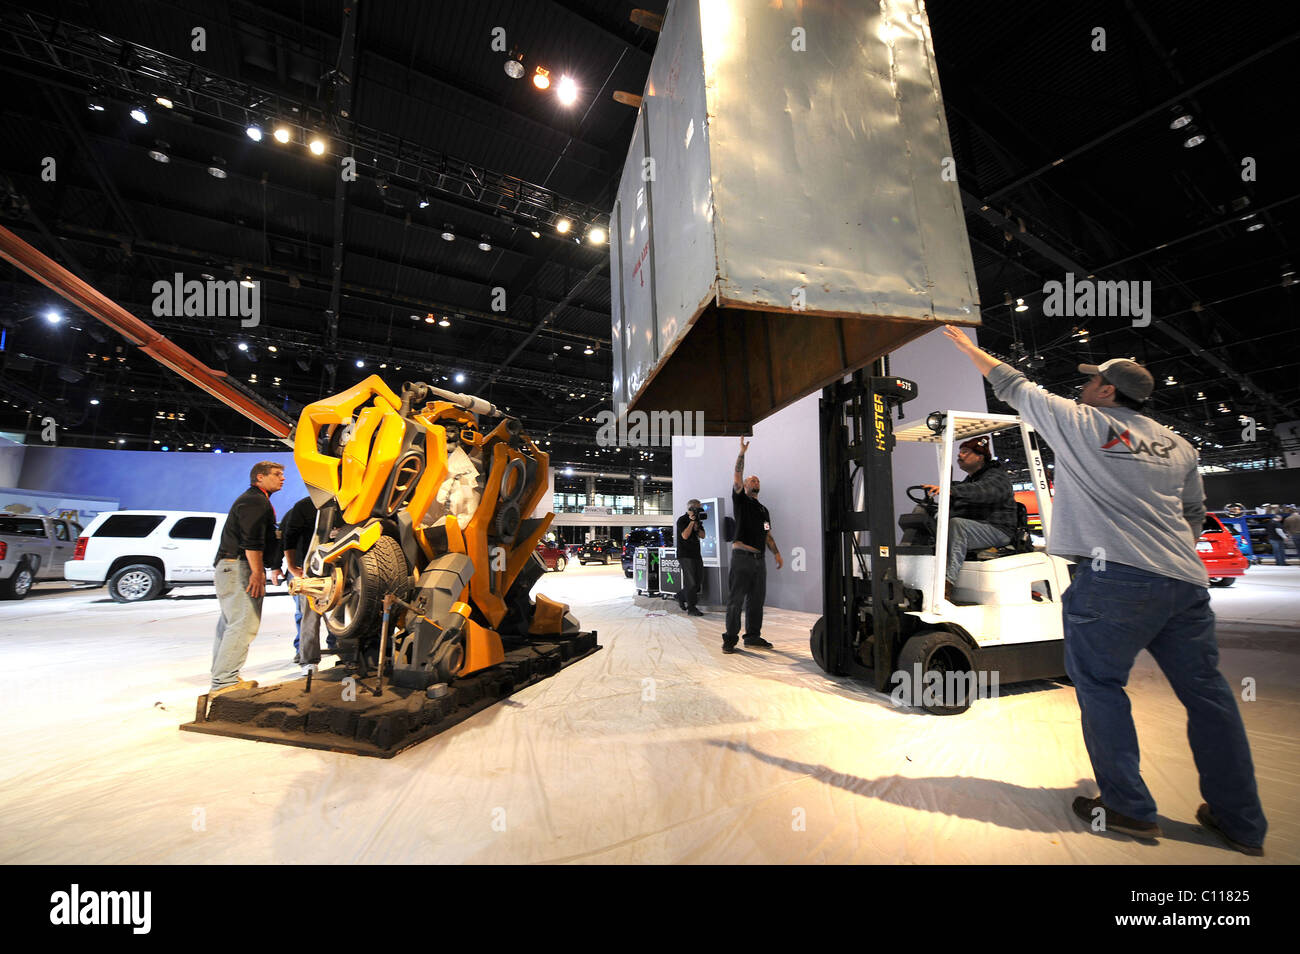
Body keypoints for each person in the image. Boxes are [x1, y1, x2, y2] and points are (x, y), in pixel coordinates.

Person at [942, 327, 1266, 855]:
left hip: (1112, 579)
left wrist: (963, 345)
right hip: (1183, 583)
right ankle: (1242, 821)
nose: (1085, 387)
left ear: (1108, 392)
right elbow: (1191, 514)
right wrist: (1164, 556)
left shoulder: (1082, 422)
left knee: (1100, 686)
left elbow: (1013, 384)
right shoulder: (1178, 445)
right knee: (1208, 696)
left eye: (1092, 381)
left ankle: (1128, 808)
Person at [210, 461, 285, 696]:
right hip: (239, 566)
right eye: (276, 474)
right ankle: (223, 683)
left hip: (230, 566)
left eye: (282, 475)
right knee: (243, 623)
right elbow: (251, 539)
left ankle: (224, 676)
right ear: (259, 478)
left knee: (230, 624)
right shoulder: (255, 500)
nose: (282, 478)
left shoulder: (254, 499)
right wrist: (257, 572)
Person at [920, 436, 1018, 604]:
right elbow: (965, 495)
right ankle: (924, 577)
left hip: (999, 530)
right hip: (981, 527)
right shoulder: (971, 480)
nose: (960, 456)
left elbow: (984, 491)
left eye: (965, 452)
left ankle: (946, 584)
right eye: (959, 452)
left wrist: (952, 491)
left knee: (958, 525)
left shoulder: (996, 477)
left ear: (980, 456)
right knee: (930, 523)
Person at [723, 437, 783, 653]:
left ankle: (753, 636)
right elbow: (737, 475)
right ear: (745, 486)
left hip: (760, 560)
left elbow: (767, 534)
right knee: (736, 601)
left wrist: (776, 553)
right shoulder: (741, 500)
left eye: (757, 480)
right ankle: (730, 639)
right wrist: (742, 453)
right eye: (752, 480)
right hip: (742, 558)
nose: (755, 482)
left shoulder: (763, 510)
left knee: (756, 601)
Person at [279, 494, 334, 667]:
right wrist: (292, 567)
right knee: (309, 616)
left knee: (340, 616)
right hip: (309, 569)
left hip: (338, 569)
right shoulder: (304, 506)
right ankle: (309, 661)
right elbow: (289, 537)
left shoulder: (348, 505)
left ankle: (344, 655)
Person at [676, 499, 706, 616]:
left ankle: (681, 595)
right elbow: (684, 535)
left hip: (696, 554)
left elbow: (703, 536)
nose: (699, 510)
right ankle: (692, 608)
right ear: (691, 509)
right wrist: (691, 523)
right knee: (691, 582)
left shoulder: (698, 520)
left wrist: (697, 525)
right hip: (685, 554)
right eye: (698, 508)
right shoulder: (682, 520)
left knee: (698, 581)